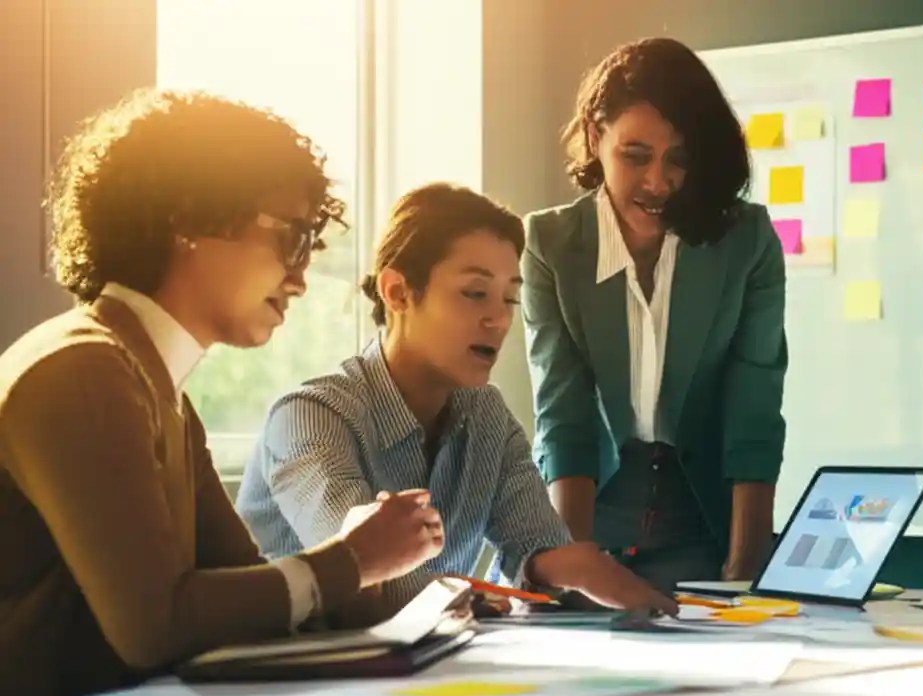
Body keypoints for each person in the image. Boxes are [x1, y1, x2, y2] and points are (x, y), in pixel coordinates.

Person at [0, 89, 441, 696]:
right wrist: (351, 560)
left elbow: (244, 590)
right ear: (188, 218)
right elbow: (156, 624)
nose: (299, 277)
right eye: (291, 238)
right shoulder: (83, 371)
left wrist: (387, 573)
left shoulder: (156, 389)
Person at [236, 182, 678, 616]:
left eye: (510, 298)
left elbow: (536, 545)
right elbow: (361, 577)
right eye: (474, 293)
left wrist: (564, 566)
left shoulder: (487, 416)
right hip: (284, 678)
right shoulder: (310, 418)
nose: (499, 319)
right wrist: (471, 596)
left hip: (416, 673)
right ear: (397, 292)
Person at [522, 37, 788, 593]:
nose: (658, 183)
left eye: (679, 160)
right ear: (596, 139)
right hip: (591, 523)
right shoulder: (550, 244)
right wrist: (575, 573)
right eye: (635, 155)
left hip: (707, 530)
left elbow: (753, 412)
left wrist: (744, 574)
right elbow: (563, 414)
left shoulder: (747, 242)